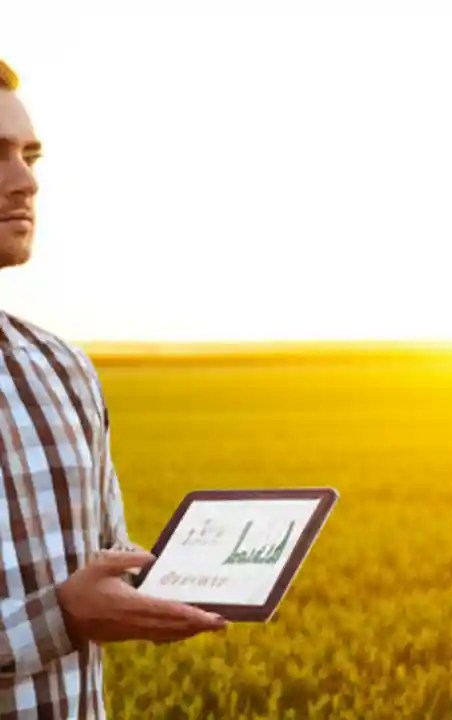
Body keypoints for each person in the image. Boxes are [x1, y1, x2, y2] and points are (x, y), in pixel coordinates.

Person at [0, 59, 227, 719]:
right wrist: (63, 616)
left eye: (31, 155)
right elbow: (72, 608)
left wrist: (198, 576)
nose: (26, 181)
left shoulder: (63, 368)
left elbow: (108, 568)